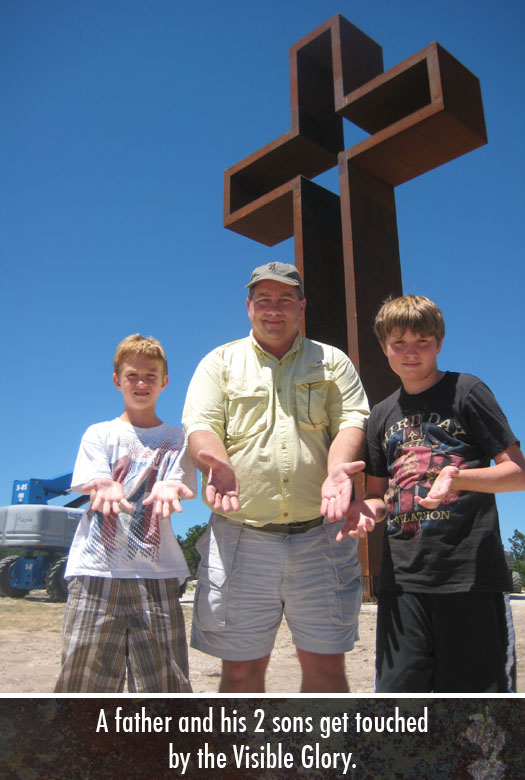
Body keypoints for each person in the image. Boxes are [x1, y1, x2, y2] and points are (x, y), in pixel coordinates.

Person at [182, 261, 371, 693]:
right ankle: (241, 762)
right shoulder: (219, 363)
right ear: (248, 306)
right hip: (240, 538)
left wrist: (338, 467)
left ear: (301, 307)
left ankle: (323, 761)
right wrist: (214, 461)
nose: (274, 308)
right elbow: (201, 424)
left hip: (321, 538)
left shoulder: (333, 363)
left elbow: (351, 420)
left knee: (326, 672)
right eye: (263, 299)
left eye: (285, 299)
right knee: (240, 673)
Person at [339, 295, 525, 692]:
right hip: (403, 582)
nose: (411, 352)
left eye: (422, 341)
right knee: (399, 707)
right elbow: (378, 496)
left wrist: (455, 479)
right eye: (399, 343)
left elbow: (516, 473)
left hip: (471, 578)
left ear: (438, 343)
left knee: (477, 713)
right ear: (384, 347)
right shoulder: (379, 417)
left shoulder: (467, 391)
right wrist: (364, 511)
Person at [55, 334, 196, 693]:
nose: (141, 382)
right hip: (95, 573)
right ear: (117, 380)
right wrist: (105, 486)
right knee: (82, 682)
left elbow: (179, 482)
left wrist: (169, 486)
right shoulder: (99, 433)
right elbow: (96, 480)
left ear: (165, 382)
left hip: (158, 576)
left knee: (167, 683)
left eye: (151, 375)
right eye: (132, 375)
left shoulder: (177, 439)